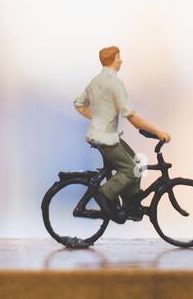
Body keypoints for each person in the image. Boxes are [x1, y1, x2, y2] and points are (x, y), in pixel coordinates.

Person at [73, 46, 170, 222]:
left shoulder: (96, 81)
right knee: (131, 170)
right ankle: (104, 195)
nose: (121, 61)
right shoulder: (114, 83)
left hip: (106, 135)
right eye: (119, 58)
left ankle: (131, 203)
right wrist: (158, 132)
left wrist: (97, 118)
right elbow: (132, 117)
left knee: (137, 164)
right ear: (112, 60)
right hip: (106, 138)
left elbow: (79, 104)